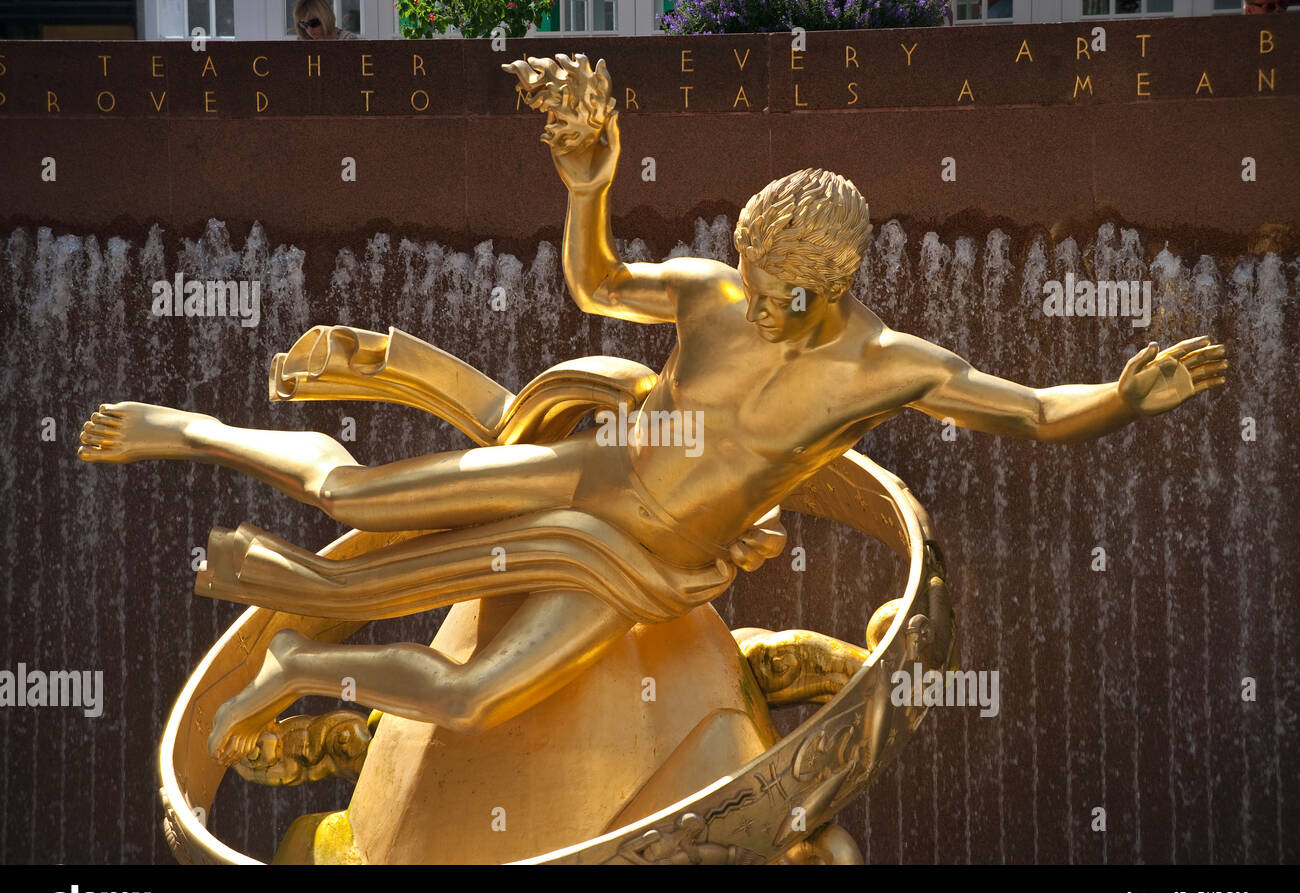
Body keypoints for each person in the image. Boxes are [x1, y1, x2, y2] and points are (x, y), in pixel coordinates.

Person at [77, 88, 1227, 765]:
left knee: (471, 694)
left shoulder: (889, 368)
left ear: (827, 285)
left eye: (776, 284)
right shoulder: (721, 294)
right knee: (353, 497)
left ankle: (302, 661)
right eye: (746, 265)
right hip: (585, 469)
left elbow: (1027, 412)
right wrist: (588, 184)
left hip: (640, 566)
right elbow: (597, 283)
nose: (748, 292)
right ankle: (194, 430)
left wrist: (1122, 398)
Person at [294, 0, 358, 39]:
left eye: (314, 23)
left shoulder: (348, 40)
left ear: (325, 18)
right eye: (304, 25)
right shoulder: (302, 42)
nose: (309, 30)